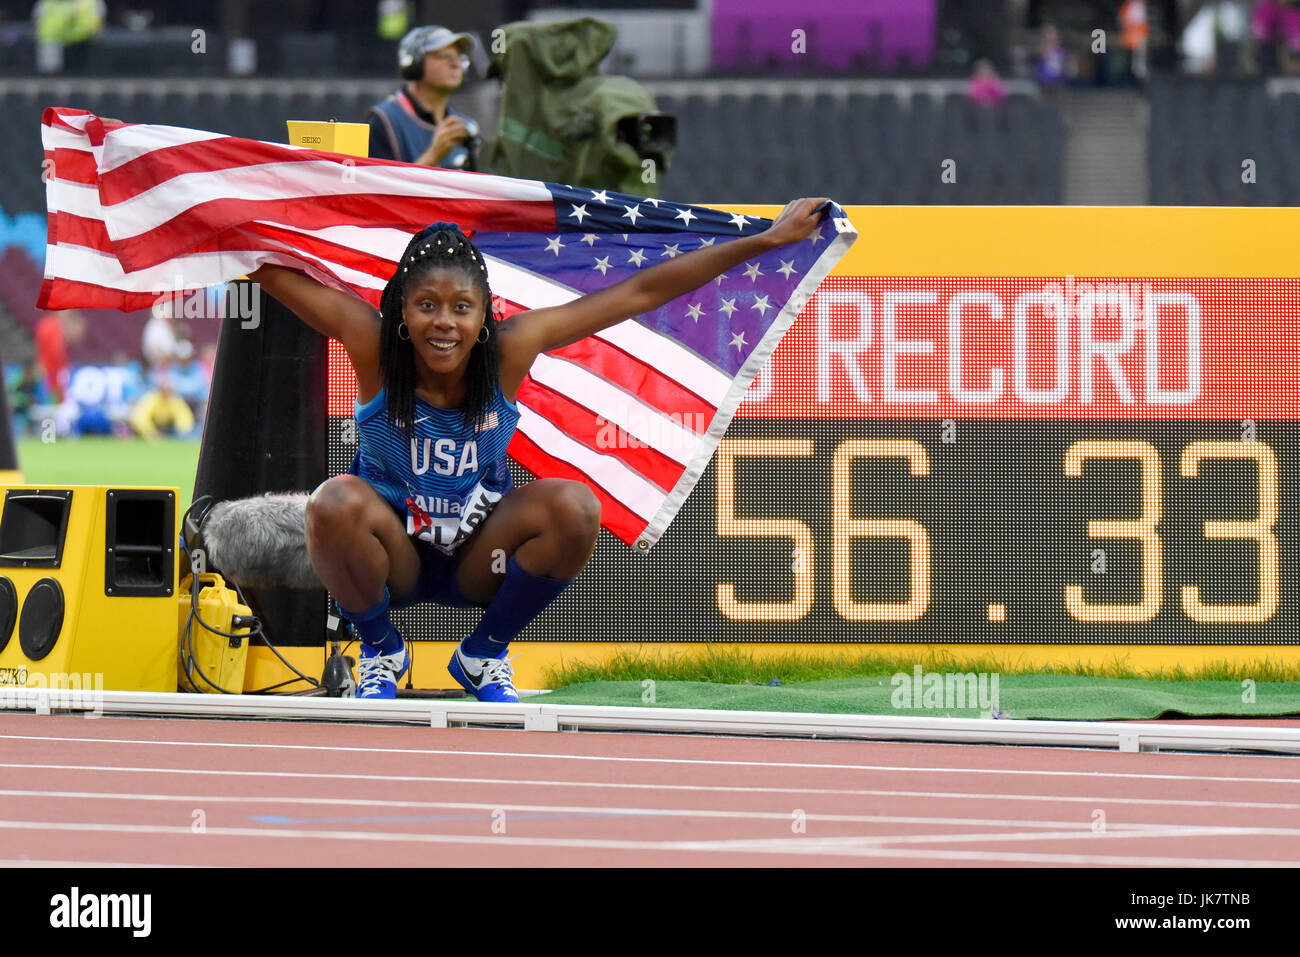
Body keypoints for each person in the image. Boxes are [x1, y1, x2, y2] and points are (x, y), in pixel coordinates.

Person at [248, 197, 828, 701]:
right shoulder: (370, 346)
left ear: (485, 316)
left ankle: (482, 655)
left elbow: (641, 291)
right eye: (427, 305)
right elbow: (263, 267)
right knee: (331, 504)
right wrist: (199, 219)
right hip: (392, 561)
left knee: (575, 508)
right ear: (401, 311)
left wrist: (767, 240)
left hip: (481, 560)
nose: (443, 323)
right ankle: (383, 654)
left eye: (460, 308)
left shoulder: (511, 349)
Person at [368, 25, 480, 170]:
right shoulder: (384, 121)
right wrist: (433, 156)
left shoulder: (466, 125)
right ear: (414, 63)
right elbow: (378, 190)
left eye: (459, 57)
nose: (455, 64)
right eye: (444, 56)